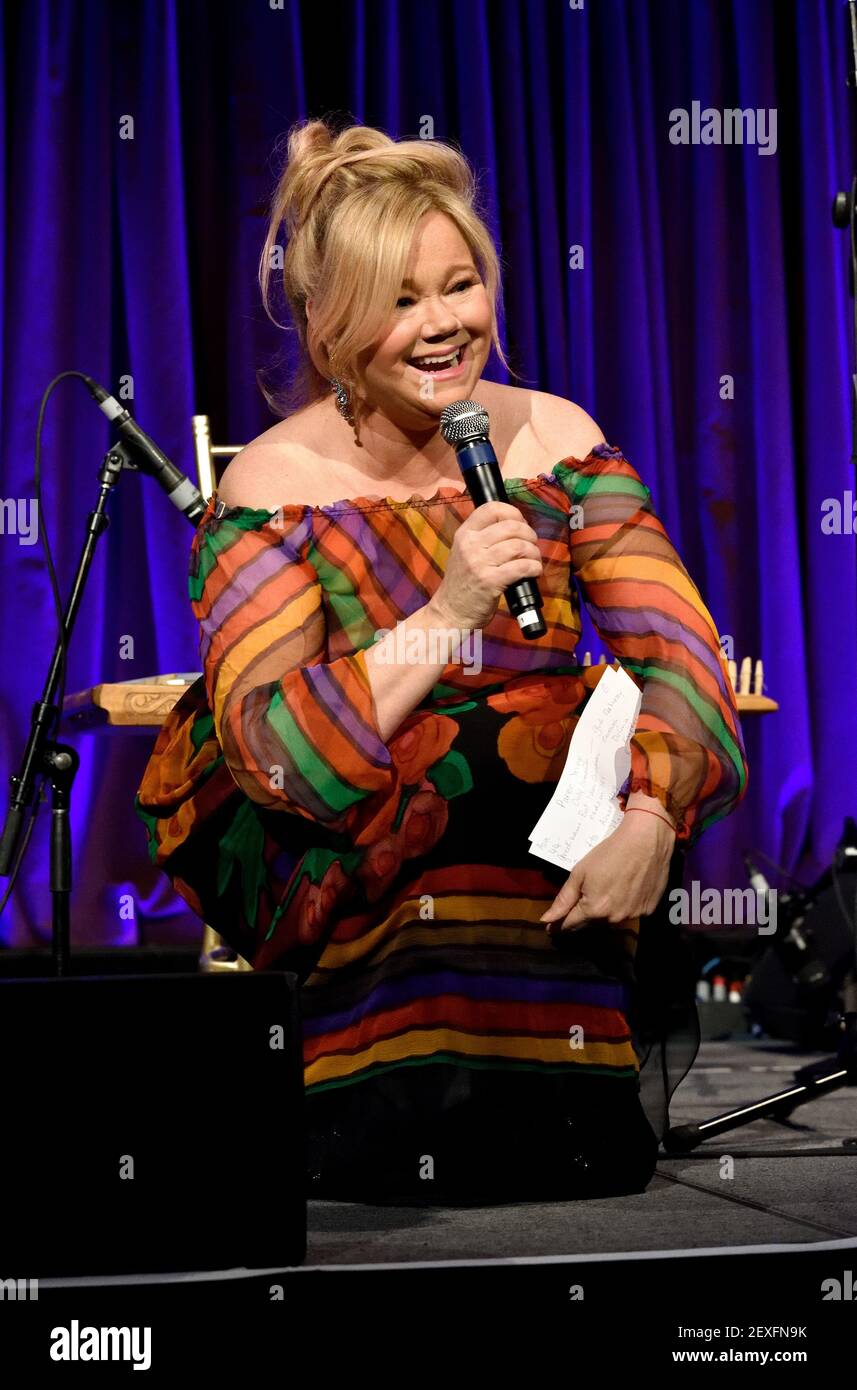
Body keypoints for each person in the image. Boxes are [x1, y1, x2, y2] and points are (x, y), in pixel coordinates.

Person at [135, 118, 748, 1206]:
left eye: (458, 287)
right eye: (401, 300)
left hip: (543, 835)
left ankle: (560, 1098)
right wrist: (448, 605)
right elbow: (274, 754)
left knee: (531, 755)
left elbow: (683, 654)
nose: (441, 326)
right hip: (354, 828)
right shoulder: (273, 487)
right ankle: (387, 1098)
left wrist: (650, 817)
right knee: (453, 760)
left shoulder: (554, 439)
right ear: (330, 326)